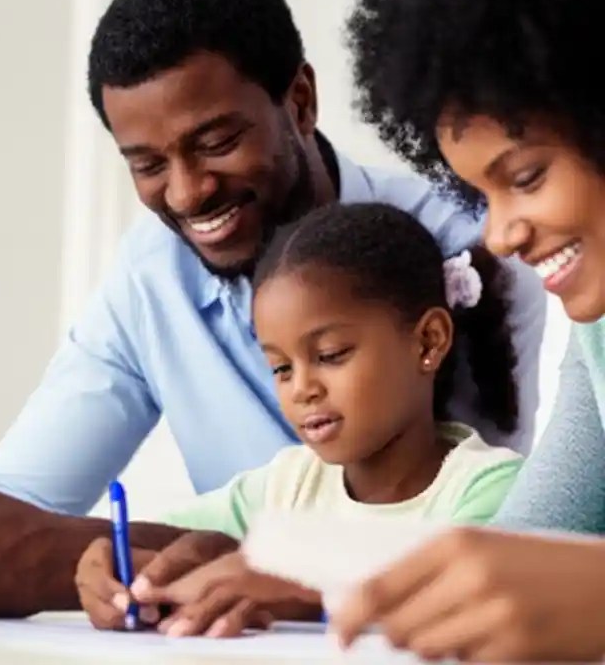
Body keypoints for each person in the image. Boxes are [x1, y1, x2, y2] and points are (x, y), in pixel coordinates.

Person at [0, 0, 548, 619]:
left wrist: (90, 555)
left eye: (218, 142)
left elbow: (490, 540)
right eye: (147, 164)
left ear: (298, 101)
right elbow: (29, 502)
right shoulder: (152, 275)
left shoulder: (477, 248)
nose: (190, 192)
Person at [320, 0, 605, 662]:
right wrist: (310, 584)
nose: (500, 236)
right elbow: (534, 541)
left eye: (527, 176)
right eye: (483, 196)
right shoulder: (599, 334)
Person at [76, 202, 525, 637]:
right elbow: (167, 543)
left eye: (330, 355)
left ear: (428, 341)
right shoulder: (285, 487)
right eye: (281, 368)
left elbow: (461, 590)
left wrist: (294, 586)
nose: (302, 388)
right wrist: (123, 566)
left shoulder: (491, 487)